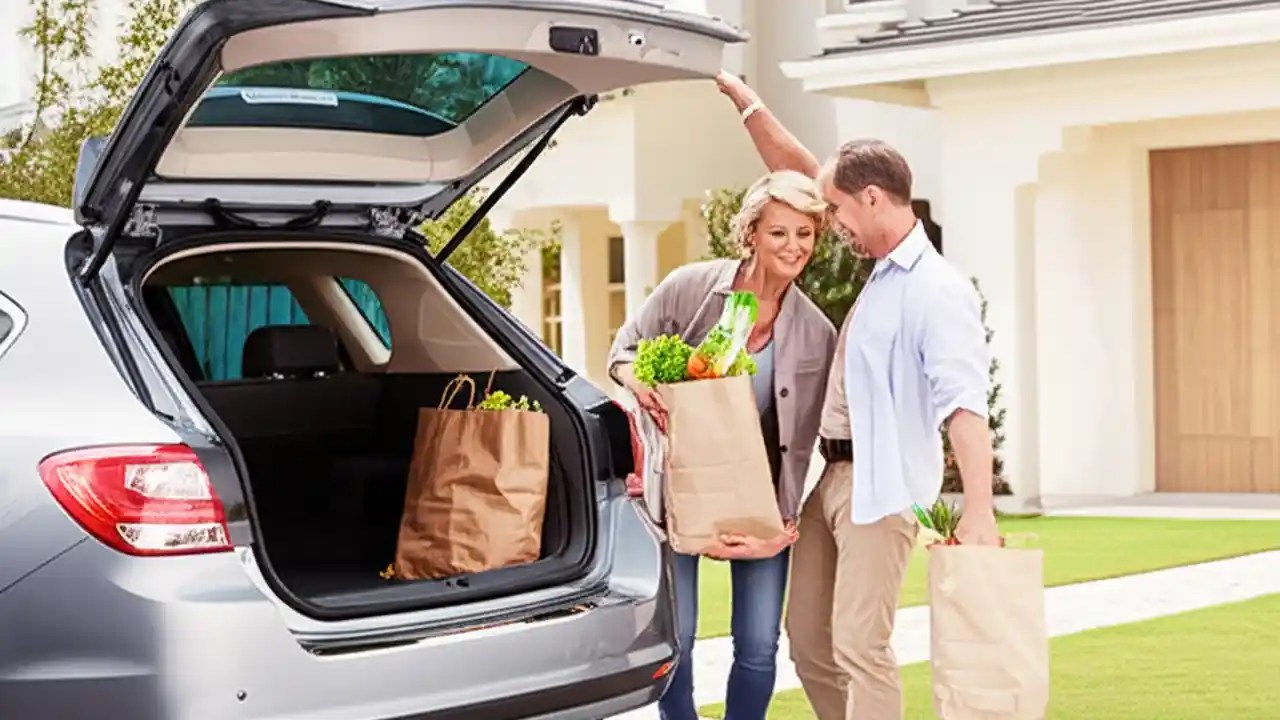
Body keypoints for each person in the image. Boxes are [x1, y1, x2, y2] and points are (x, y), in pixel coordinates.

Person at [714, 71, 1001, 720]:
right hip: (831, 479)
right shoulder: (880, 271)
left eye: (838, 211)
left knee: (858, 643)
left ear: (872, 199)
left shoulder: (937, 289)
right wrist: (747, 103)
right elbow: (806, 173)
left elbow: (964, 403)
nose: (830, 224)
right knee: (808, 641)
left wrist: (978, 511)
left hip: (885, 489)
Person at [608, 170, 837, 720]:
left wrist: (787, 521)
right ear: (752, 232)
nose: (794, 247)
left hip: (764, 503)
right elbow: (624, 351)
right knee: (677, 640)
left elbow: (814, 439)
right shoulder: (691, 288)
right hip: (680, 491)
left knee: (759, 646)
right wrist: (641, 381)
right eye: (780, 232)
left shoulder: (816, 332)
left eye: (805, 234)